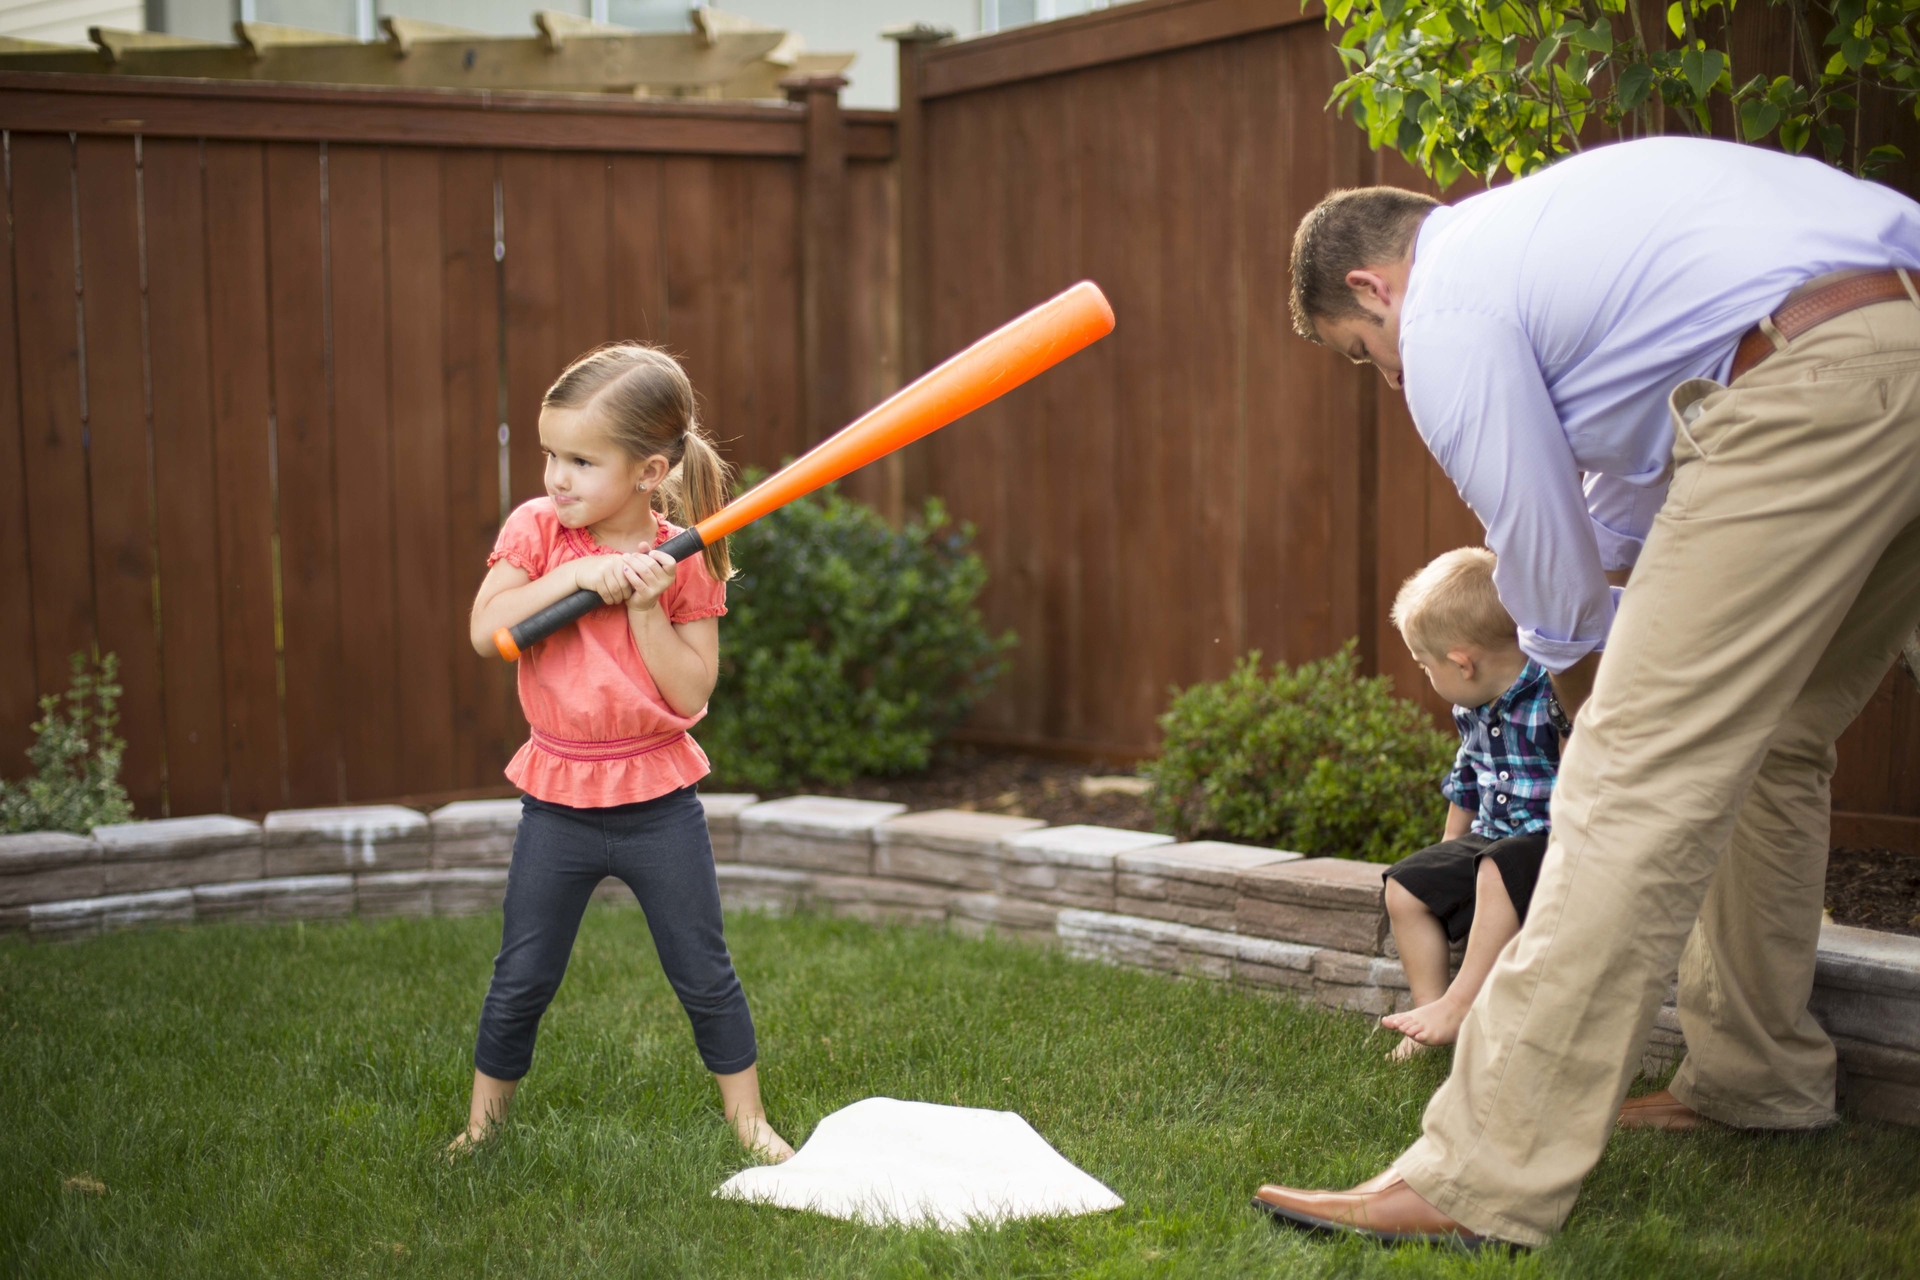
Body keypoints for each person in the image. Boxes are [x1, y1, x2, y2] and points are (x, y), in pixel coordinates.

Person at [1254, 137, 1920, 1248]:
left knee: (1623, 778)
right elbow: (1615, 510)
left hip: (1806, 387)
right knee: (1780, 737)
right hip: (1891, 344)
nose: (1389, 375)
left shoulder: (1452, 310)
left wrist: (1586, 712)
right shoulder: (1555, 246)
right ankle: (1757, 1079)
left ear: (1374, 285)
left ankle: (1479, 1174)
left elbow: (1548, 573)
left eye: (1363, 353)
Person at [451, 343, 792, 1164]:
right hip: (557, 803)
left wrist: (644, 609)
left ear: (648, 472)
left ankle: (748, 1122)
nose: (555, 477)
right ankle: (480, 1128)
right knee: (522, 974)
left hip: (657, 805)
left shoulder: (684, 557)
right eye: (550, 455)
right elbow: (486, 631)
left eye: (580, 460)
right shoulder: (537, 532)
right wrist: (584, 577)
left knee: (703, 970)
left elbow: (689, 693)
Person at [1378, 548, 1567, 1063]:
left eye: (1424, 666)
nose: (1424, 675)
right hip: (1494, 842)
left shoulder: (1553, 694)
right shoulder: (1472, 705)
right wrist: (1445, 855)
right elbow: (1467, 777)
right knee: (1405, 886)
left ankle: (1462, 1005)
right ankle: (1431, 1012)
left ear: (1462, 663)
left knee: (1493, 868)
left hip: (1553, 843)